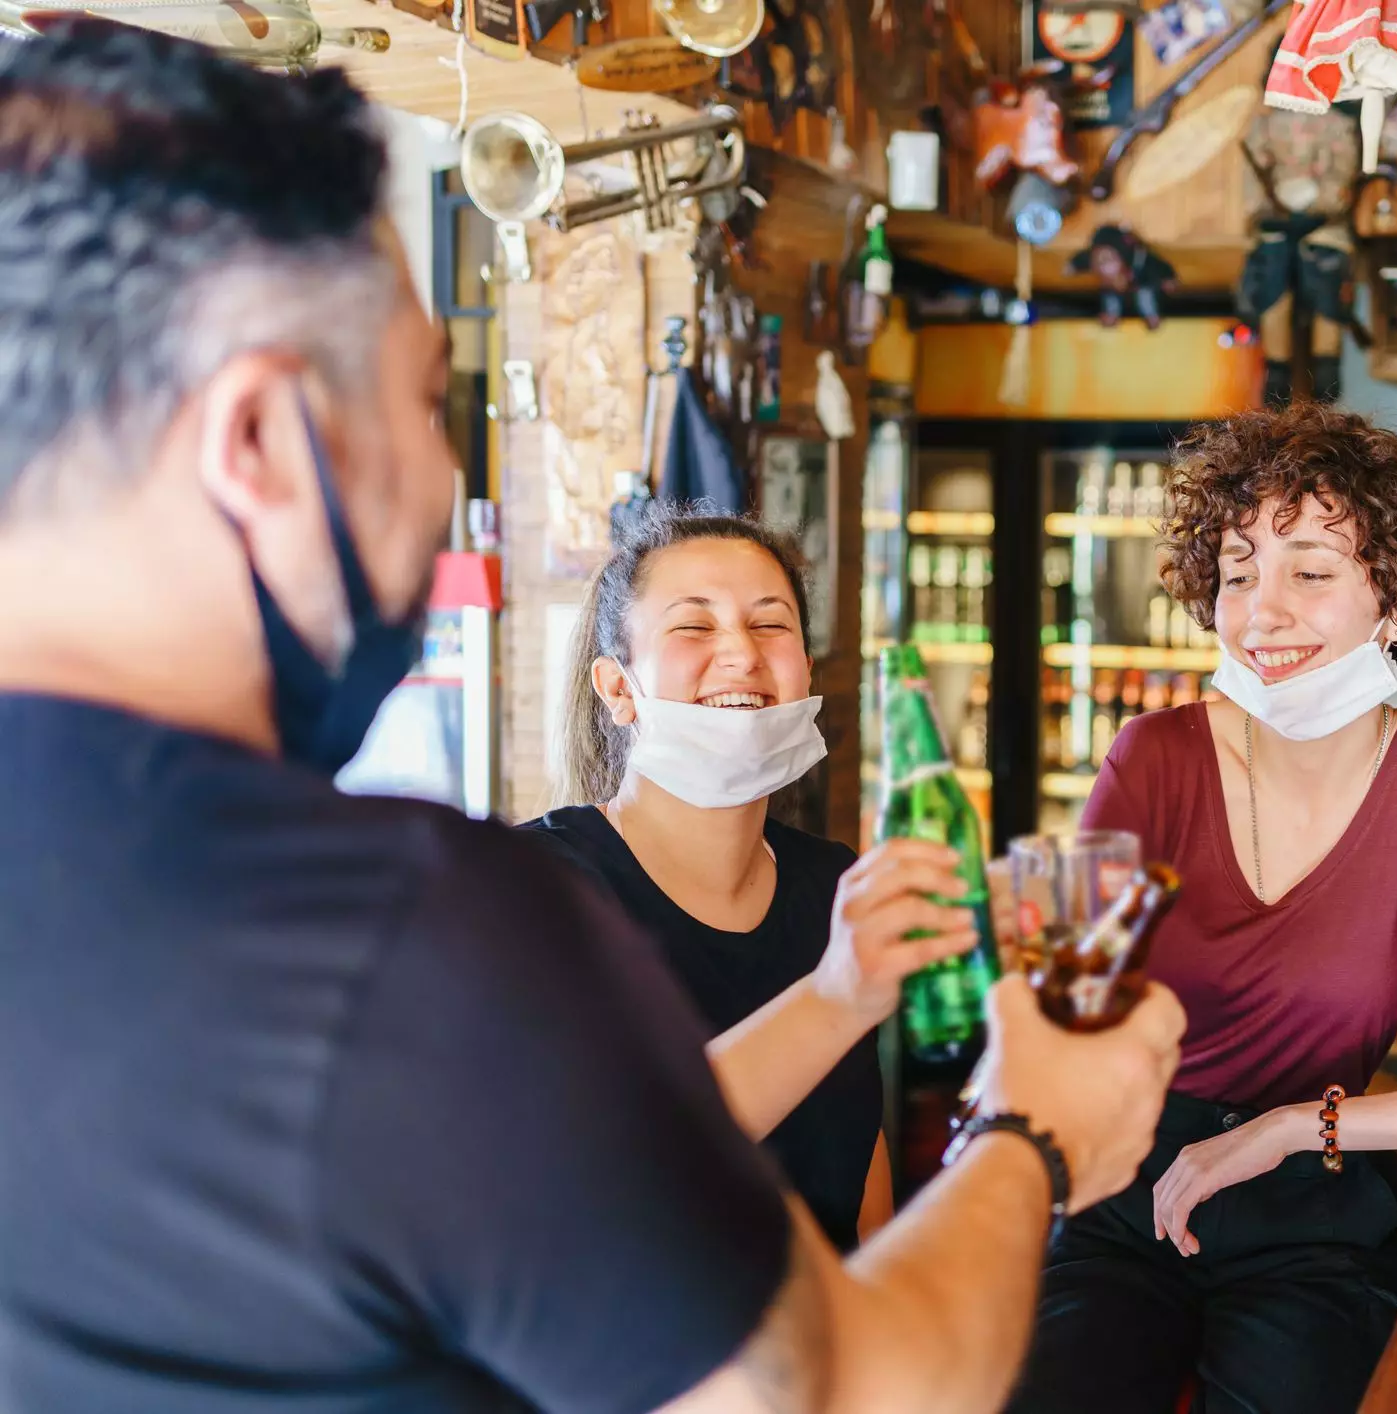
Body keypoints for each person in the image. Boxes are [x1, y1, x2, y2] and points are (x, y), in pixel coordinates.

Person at [0, 25, 1184, 1414]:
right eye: (419, 407)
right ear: (255, 443)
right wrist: (1036, 1127)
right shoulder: (409, 933)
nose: (443, 470)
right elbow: (853, 1386)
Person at [1006, 403, 1397, 1414]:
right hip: (1118, 1191)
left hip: (1313, 1203)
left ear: (1396, 603)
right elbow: (1054, 1014)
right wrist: (1030, 955)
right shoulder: (1149, 758)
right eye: (1238, 574)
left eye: (1310, 572)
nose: (1260, 612)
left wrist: (1290, 1127)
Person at [524, 507, 899, 1252]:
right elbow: (599, 1168)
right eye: (694, 627)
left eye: (771, 626)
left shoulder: (835, 888)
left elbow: (864, 1175)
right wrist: (837, 996)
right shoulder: (539, 888)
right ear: (618, 688)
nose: (741, 654)